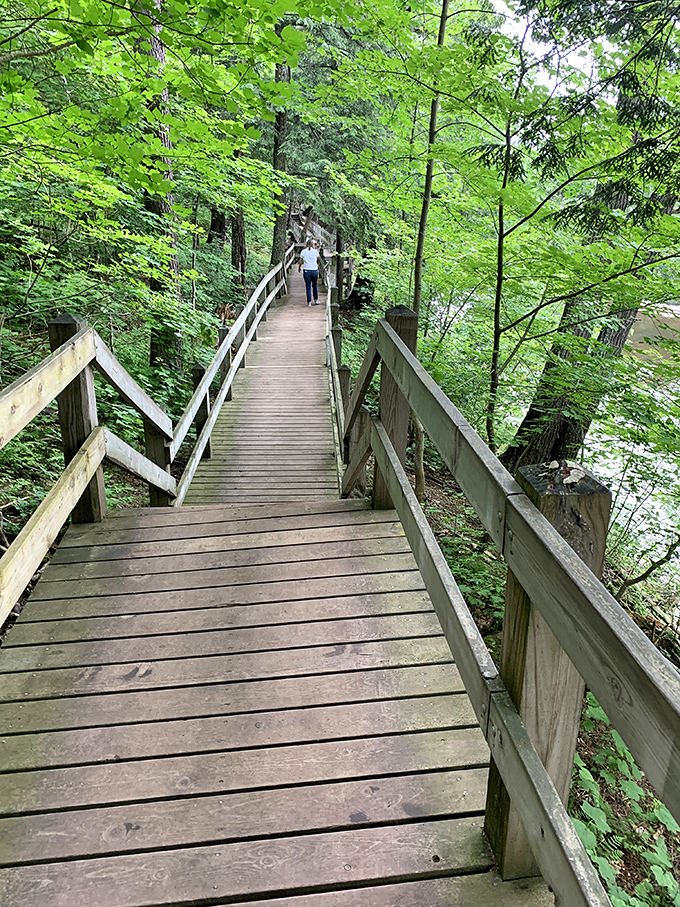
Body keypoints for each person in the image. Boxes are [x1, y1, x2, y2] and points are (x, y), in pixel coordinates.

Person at [298, 238, 320, 306]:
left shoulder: (303, 251)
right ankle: (316, 300)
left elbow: (301, 261)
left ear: (306, 244)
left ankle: (309, 302)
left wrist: (299, 267)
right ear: (312, 244)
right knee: (315, 285)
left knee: (308, 286)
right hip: (314, 270)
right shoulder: (315, 252)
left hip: (307, 270)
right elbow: (318, 259)